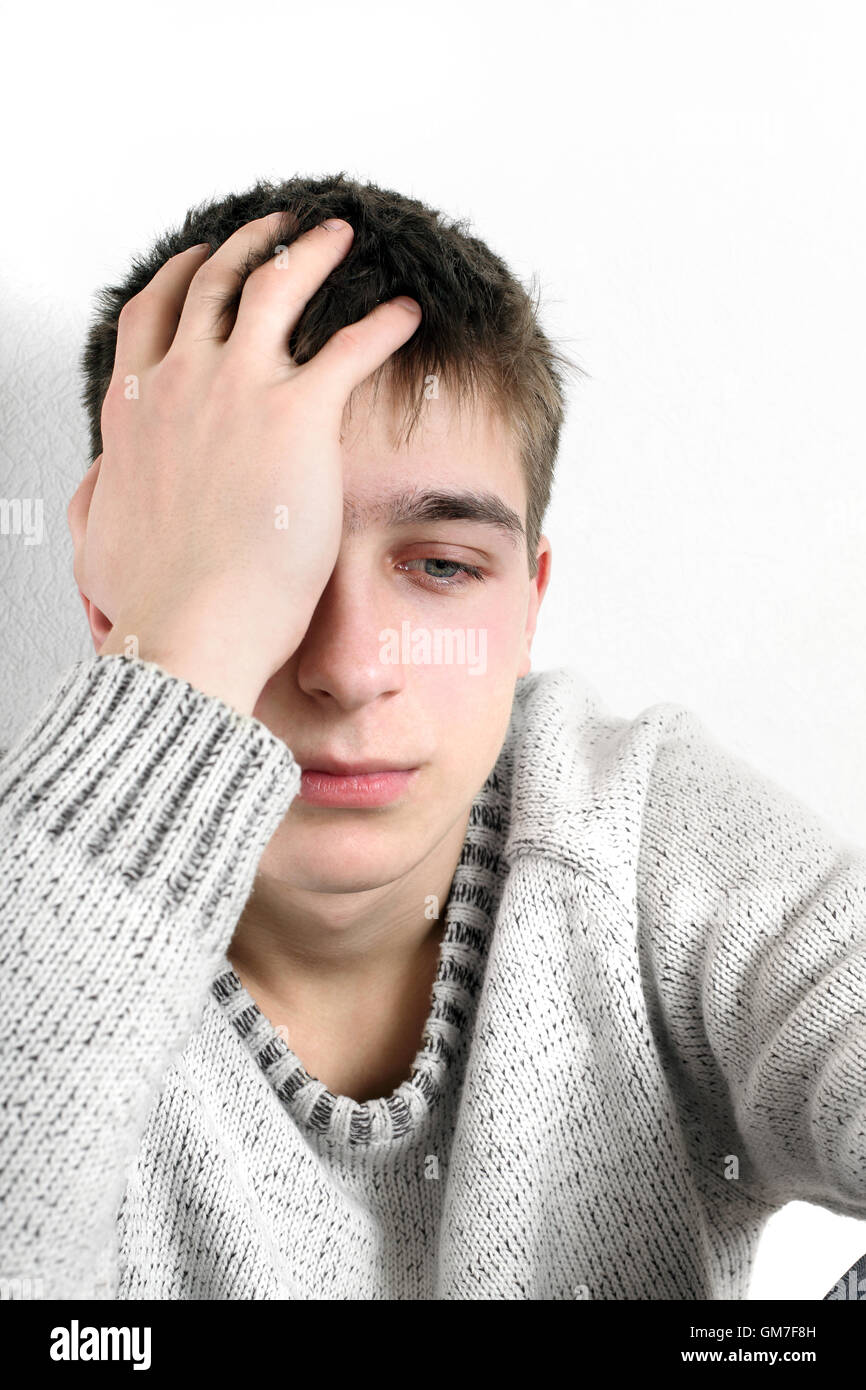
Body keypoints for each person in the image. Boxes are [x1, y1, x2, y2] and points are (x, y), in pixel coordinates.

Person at [1, 173, 864, 1301]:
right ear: (116, 585)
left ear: (526, 605)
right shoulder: (43, 907)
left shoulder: (640, 840)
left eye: (441, 567)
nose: (350, 669)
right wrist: (183, 650)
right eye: (270, 560)